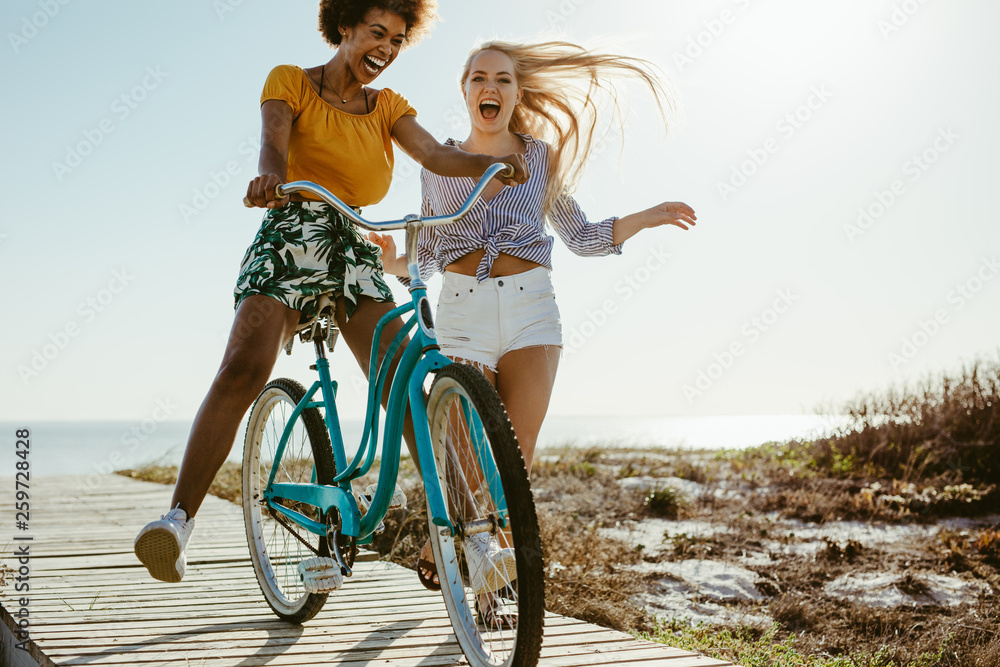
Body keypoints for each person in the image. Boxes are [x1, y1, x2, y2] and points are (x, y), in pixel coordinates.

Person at [133, 0, 528, 585]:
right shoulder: (291, 82)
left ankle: (472, 535)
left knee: (402, 377)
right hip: (292, 231)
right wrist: (270, 177)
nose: (386, 49)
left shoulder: (387, 106)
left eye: (397, 40)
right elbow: (273, 144)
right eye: (376, 32)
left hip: (351, 240)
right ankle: (177, 522)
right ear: (344, 26)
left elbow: (434, 154)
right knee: (244, 367)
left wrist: (484, 164)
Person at [371, 40, 697, 618]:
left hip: (532, 312)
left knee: (512, 469)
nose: (490, 86)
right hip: (463, 313)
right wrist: (401, 264)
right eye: (479, 77)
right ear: (465, 90)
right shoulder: (439, 163)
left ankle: (481, 587)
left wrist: (646, 218)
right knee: (466, 460)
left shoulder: (541, 158)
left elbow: (582, 236)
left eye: (502, 78)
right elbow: (431, 254)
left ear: (517, 93)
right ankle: (463, 551)